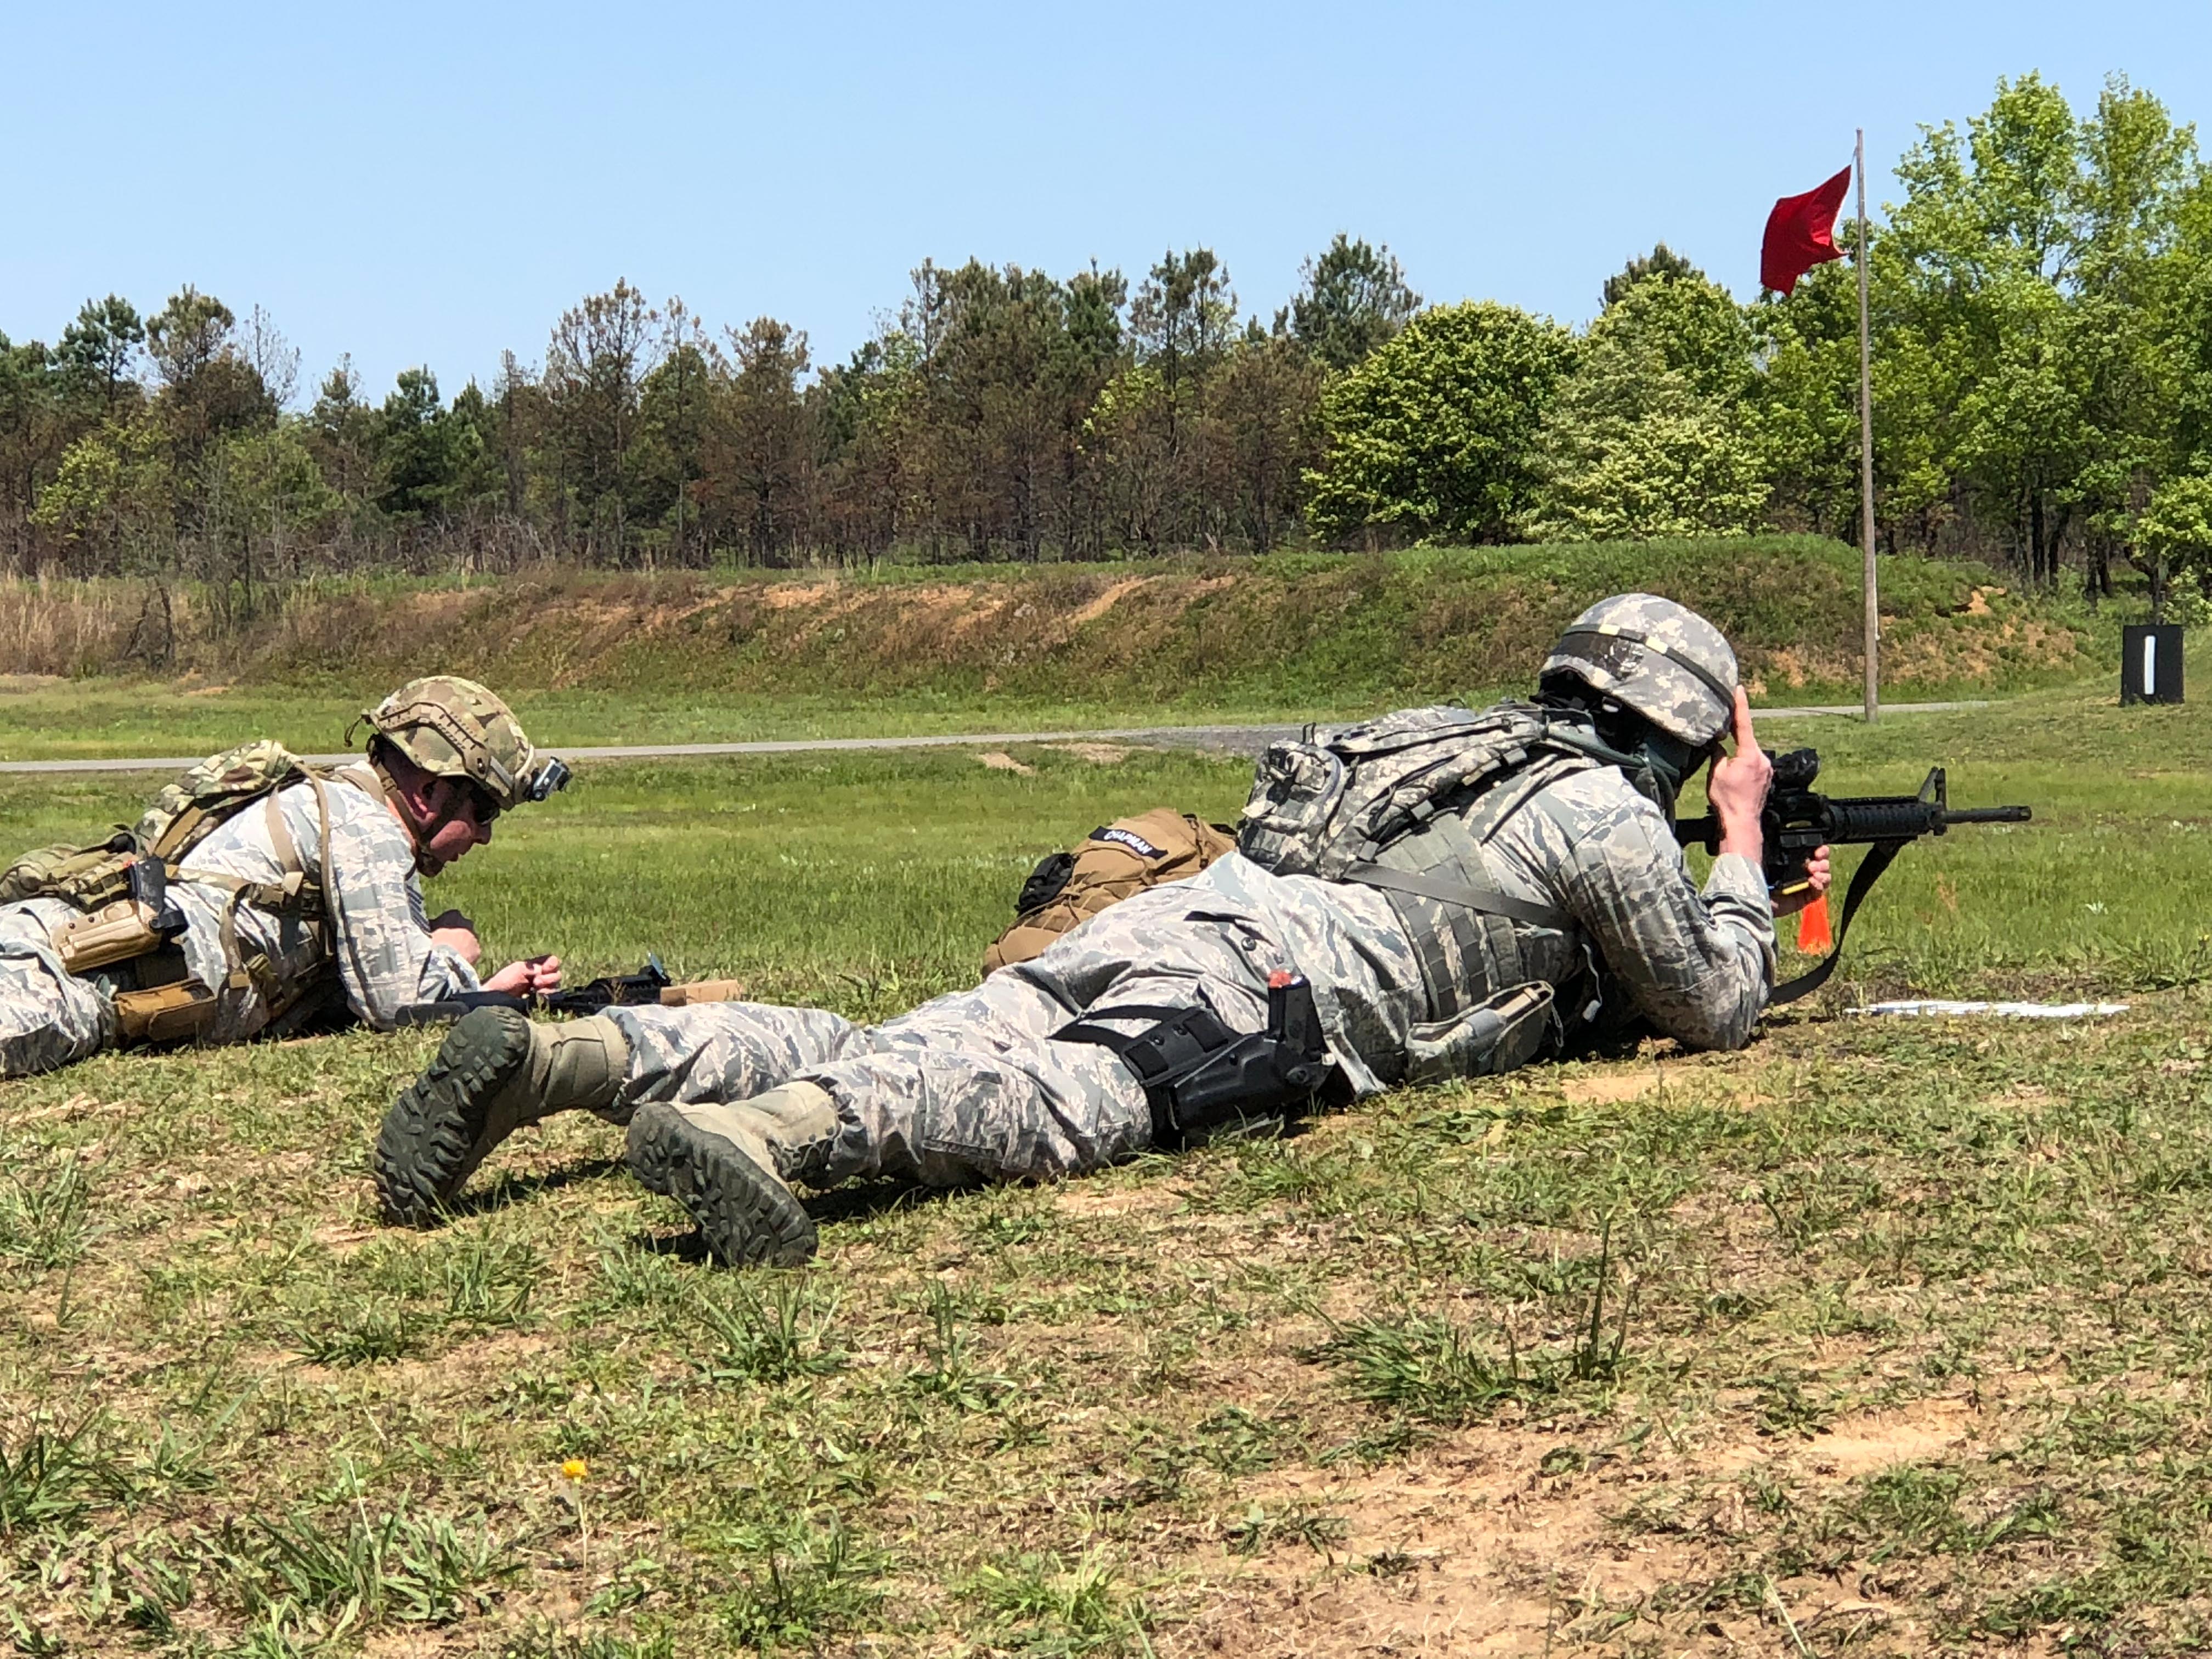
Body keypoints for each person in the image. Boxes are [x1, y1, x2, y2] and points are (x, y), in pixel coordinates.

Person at [376, 595, 1830, 1263]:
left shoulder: (1445, 735)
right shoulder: (1604, 813)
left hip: (1180, 916)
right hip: (1264, 994)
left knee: (914, 1032)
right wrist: (1743, 840)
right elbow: (1710, 1006)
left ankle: (568, 1065)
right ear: (1680, 726)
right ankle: (768, 1139)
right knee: (1062, 1105)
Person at [0, 676, 568, 1078]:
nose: (484, 835)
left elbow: (350, 987)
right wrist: (453, 955)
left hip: (77, 946)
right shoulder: (366, 830)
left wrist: (485, 993)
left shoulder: (338, 807)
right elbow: (399, 1005)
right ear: (430, 792)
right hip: (76, 975)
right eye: (483, 811)